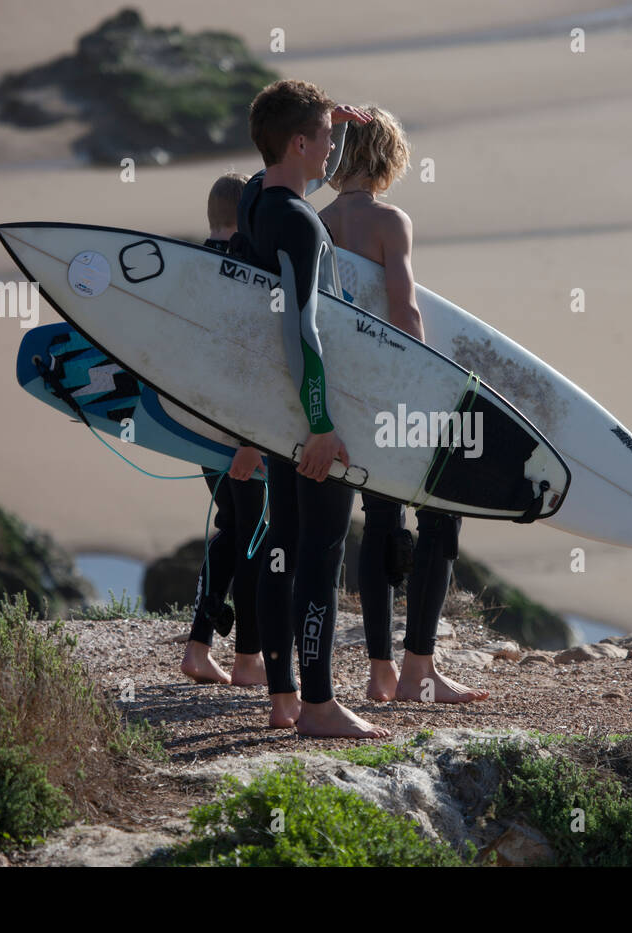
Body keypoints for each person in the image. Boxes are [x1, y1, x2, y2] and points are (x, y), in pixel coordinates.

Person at [318, 106, 487, 705]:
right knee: (440, 516)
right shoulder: (391, 220)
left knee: (380, 521)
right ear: (387, 159)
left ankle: (378, 670)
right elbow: (405, 309)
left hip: (344, 395)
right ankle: (420, 670)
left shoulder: (315, 221)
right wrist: (425, 383)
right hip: (394, 390)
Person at [237, 80, 390, 738]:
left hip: (274, 407)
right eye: (327, 139)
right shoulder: (300, 224)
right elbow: (303, 328)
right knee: (320, 553)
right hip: (309, 409)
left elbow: (266, 161)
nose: (334, 150)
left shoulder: (256, 205)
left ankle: (283, 697)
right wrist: (323, 425)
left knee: (282, 546)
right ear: (300, 144)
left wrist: (330, 115)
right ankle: (321, 705)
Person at [180, 172, 270, 687]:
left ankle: (198, 647)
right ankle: (248, 660)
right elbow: (246, 361)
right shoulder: (244, 268)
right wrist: (249, 440)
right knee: (255, 533)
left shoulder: (192, 266)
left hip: (197, 425)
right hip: (238, 431)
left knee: (232, 529)